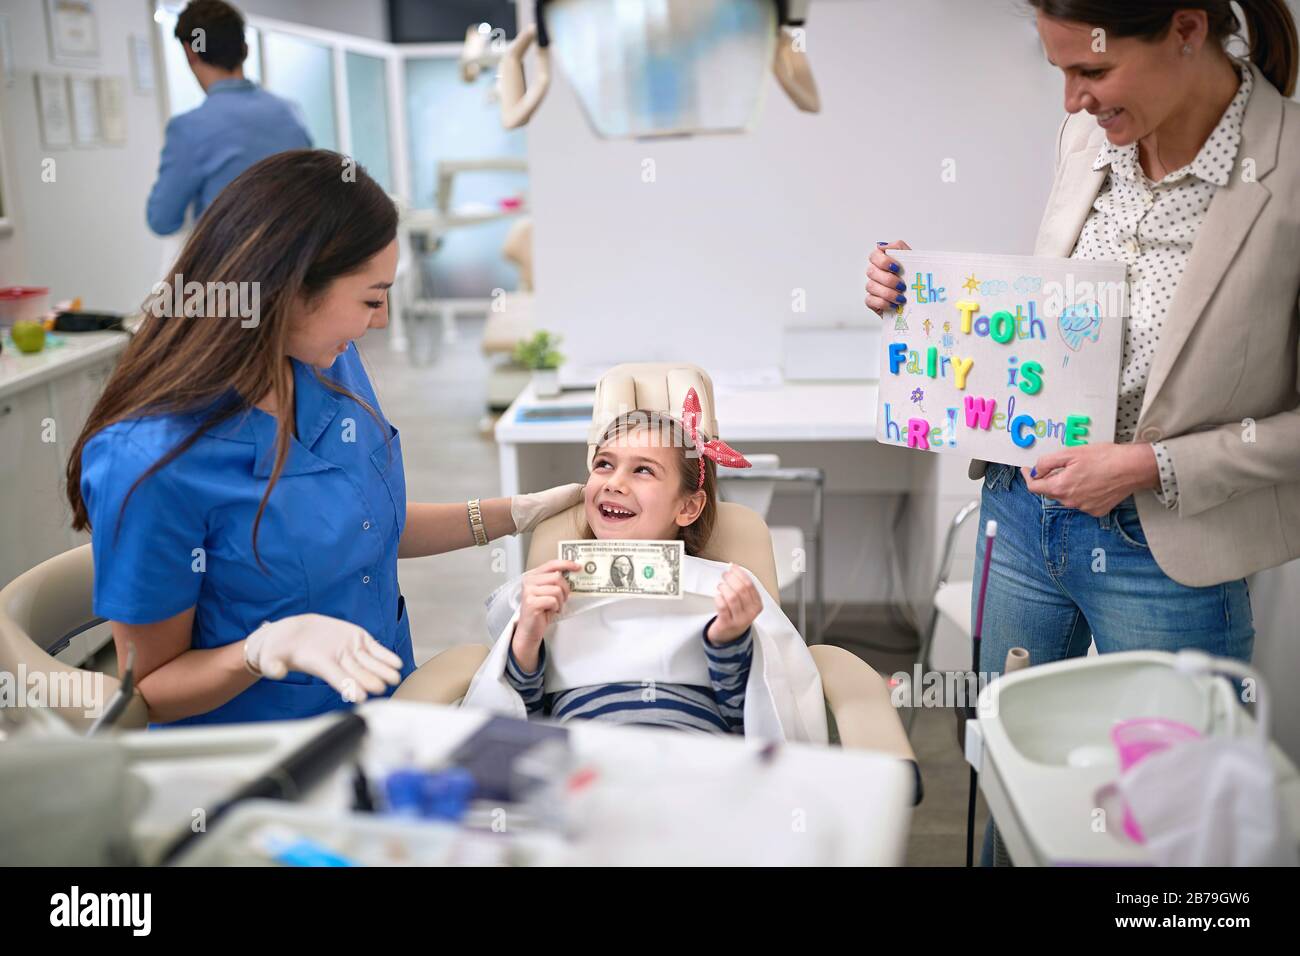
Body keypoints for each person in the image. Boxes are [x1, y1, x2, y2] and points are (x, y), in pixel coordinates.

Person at [864, 0, 1299, 863]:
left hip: (1168, 550)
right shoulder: (1087, 140)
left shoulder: (1287, 175)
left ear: (1185, 28)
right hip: (1024, 515)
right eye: (1059, 71)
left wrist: (1148, 463)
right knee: (1009, 782)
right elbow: (1061, 331)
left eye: (1091, 71)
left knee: (1168, 832)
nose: (1071, 102)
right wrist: (922, 304)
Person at [68, 149, 581, 726]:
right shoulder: (150, 459)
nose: (382, 321)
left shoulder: (327, 364)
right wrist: (261, 651)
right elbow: (147, 691)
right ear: (287, 288)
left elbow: (359, 524)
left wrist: (511, 513)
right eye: (370, 298)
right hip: (257, 758)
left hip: (381, 713)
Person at [146, 0, 311, 237]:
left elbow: (162, 220)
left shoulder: (190, 128)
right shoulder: (290, 113)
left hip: (232, 269)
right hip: (297, 263)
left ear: (190, 51)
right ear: (245, 49)